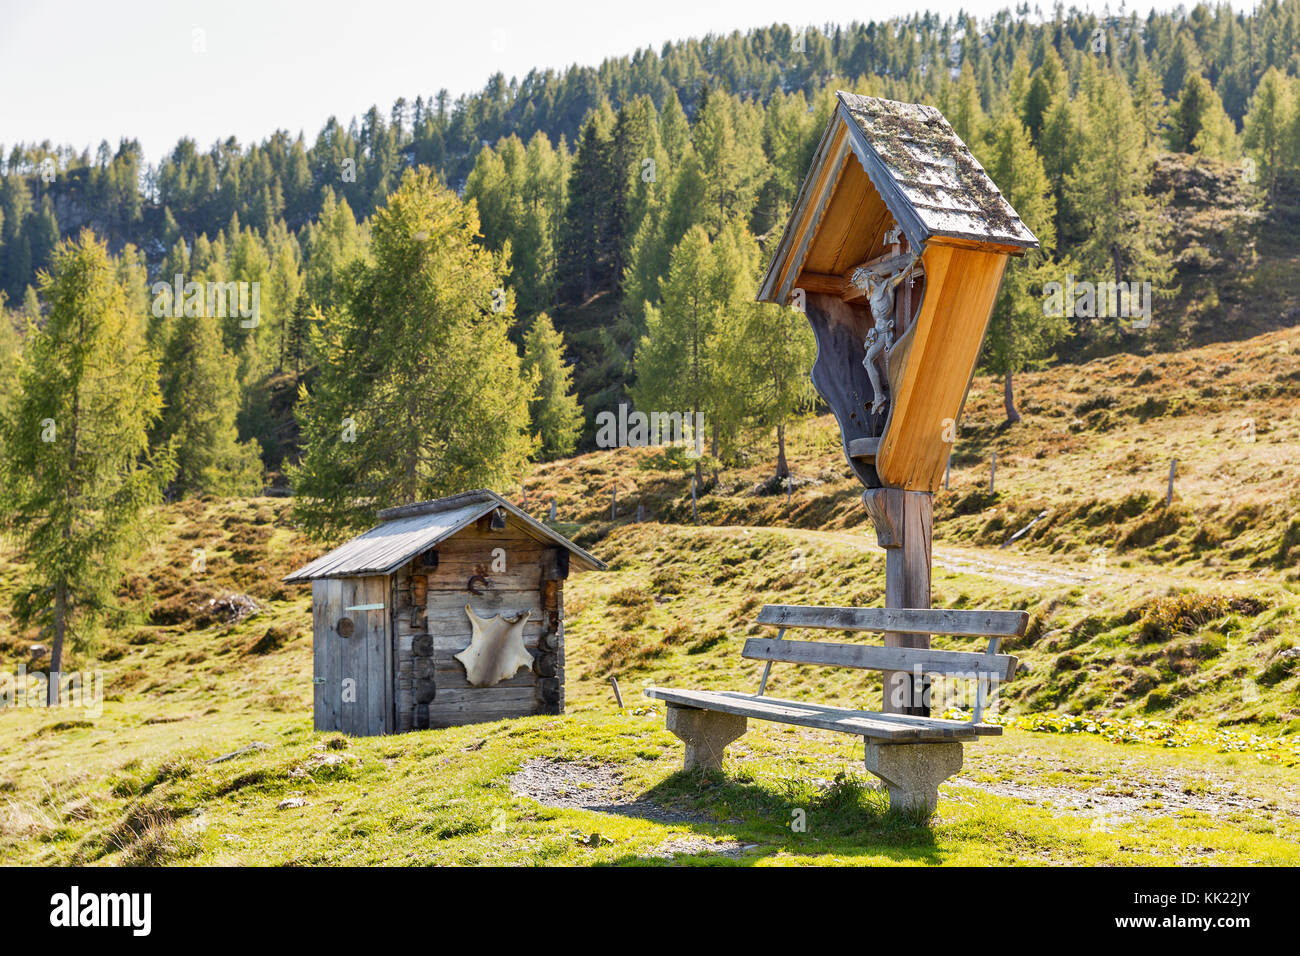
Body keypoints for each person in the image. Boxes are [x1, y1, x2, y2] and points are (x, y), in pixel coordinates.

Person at [852, 251, 922, 414]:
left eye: (861, 284)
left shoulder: (886, 286)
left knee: (884, 361)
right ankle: (879, 396)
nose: (861, 288)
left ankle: (885, 396)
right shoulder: (870, 297)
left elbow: (903, 275)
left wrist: (913, 261)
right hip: (877, 332)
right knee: (867, 361)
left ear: (867, 279)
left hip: (885, 331)